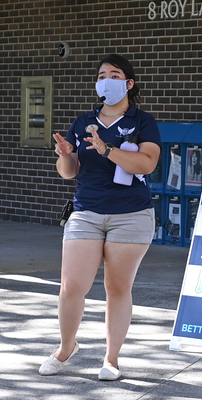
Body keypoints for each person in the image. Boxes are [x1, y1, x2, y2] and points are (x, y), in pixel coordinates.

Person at [41, 53, 161, 381]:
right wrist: (66, 155)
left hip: (131, 214)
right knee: (71, 286)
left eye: (114, 74)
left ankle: (111, 359)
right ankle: (66, 347)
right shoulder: (83, 123)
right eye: (102, 74)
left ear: (129, 83)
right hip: (87, 212)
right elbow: (70, 172)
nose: (106, 79)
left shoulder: (143, 121)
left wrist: (108, 149)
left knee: (117, 287)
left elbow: (147, 164)